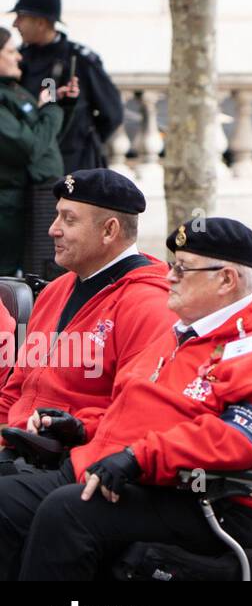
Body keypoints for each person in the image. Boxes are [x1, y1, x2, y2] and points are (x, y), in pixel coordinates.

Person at [0, 216, 252, 580]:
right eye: (172, 266)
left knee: (67, 513)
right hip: (133, 472)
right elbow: (138, 412)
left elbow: (238, 442)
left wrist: (137, 457)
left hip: (211, 500)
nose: (169, 277)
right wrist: (82, 426)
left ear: (227, 279)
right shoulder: (184, 332)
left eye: (183, 270)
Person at [0, 169, 174, 475]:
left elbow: (133, 415)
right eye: (57, 217)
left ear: (109, 230)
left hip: (72, 466)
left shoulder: (150, 304)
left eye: (69, 219)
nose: (53, 229)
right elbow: (16, 390)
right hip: (17, 453)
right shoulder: (56, 290)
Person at [11, 0, 123, 173]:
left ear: (41, 22)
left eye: (21, 17)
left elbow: (111, 113)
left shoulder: (80, 59)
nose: (15, 24)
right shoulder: (17, 59)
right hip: (31, 170)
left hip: (76, 169)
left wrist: (81, 142)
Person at [0, 25, 73, 275]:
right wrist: (51, 109)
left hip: (33, 199)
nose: (18, 56)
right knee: (8, 277)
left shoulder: (14, 90)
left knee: (42, 274)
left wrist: (62, 106)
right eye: (10, 51)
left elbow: (46, 140)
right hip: (9, 209)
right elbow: (29, 148)